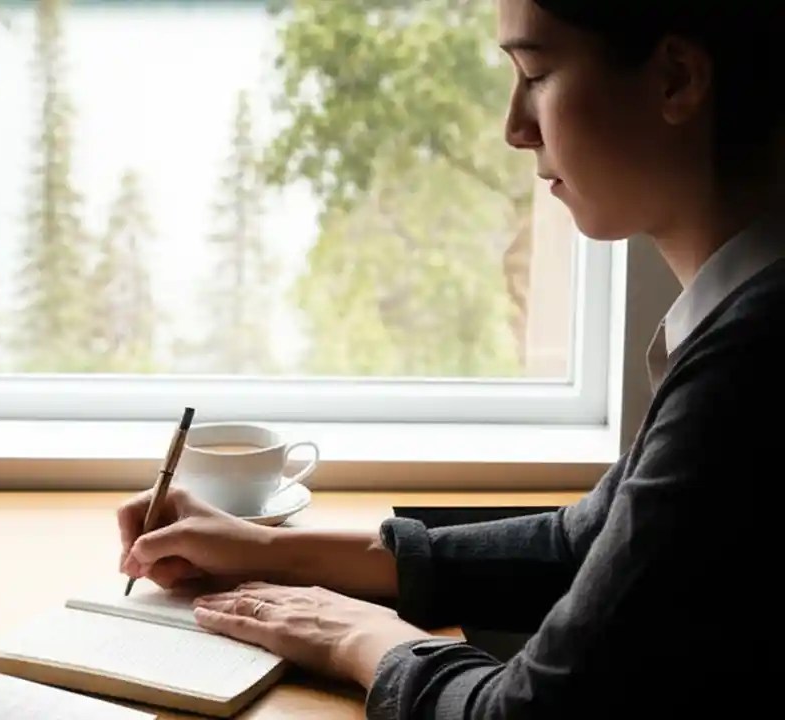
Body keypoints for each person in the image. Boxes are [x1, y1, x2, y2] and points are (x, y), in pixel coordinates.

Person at [117, 1, 783, 717]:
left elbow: (522, 712)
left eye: (535, 73)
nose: (514, 127)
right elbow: (579, 543)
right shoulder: (743, 318)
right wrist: (259, 549)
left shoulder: (751, 367)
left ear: (678, 78)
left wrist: (359, 637)